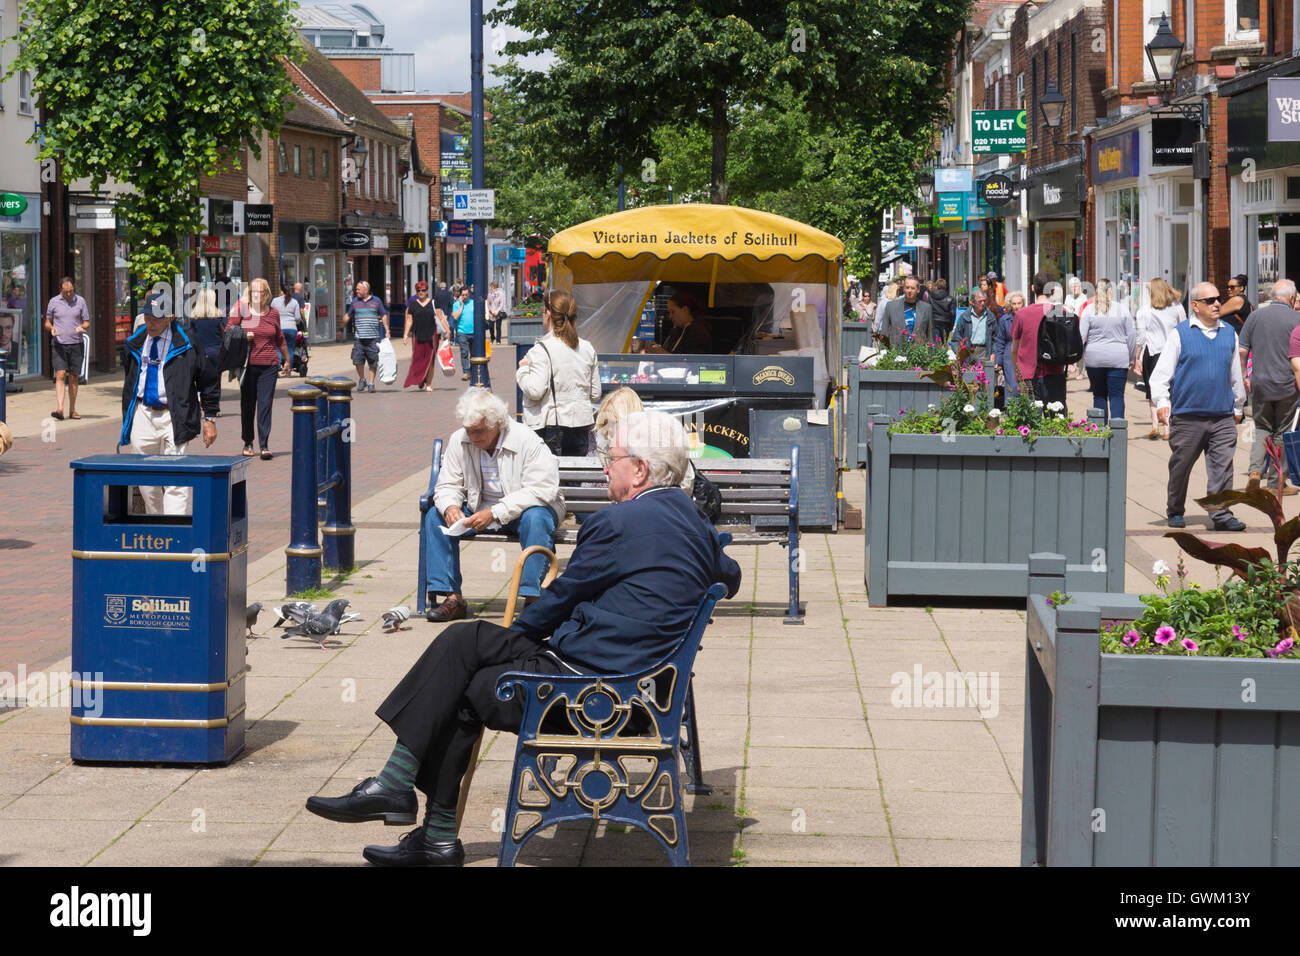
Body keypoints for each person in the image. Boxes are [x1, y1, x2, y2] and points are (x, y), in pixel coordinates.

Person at [305, 411, 742, 866]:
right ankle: (408, 807)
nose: (604, 467)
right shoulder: (694, 522)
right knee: (465, 654)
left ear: (640, 470)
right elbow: (728, 577)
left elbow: (559, 601)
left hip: (592, 695)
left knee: (463, 670)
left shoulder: (618, 524)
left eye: (611, 459)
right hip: (642, 690)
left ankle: (414, 809)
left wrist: (512, 639)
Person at [424, 389, 565, 623]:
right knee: (434, 517)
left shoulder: (525, 438)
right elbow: (447, 483)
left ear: (496, 424)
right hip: (480, 508)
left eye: (478, 431)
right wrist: (449, 506)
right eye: (469, 430)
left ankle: (533, 598)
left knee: (536, 519)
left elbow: (542, 489)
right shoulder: (461, 439)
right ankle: (452, 597)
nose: (472, 436)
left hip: (523, 509)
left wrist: (496, 513)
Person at [1149, 281, 1247, 531]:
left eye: (1218, 299)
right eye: (1210, 300)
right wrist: (1162, 403)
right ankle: (1175, 509)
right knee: (1180, 466)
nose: (1217, 304)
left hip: (1222, 416)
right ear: (1195, 306)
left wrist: (1238, 407)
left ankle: (1221, 514)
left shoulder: (1229, 333)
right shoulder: (1180, 334)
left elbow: (1235, 374)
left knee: (1223, 468)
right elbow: (1160, 376)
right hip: (1187, 416)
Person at [119, 302, 219, 515]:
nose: (150, 323)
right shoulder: (136, 341)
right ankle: (157, 527)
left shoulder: (187, 343)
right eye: (147, 318)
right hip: (143, 413)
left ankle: (175, 531)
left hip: (175, 414)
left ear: (170, 317)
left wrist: (209, 418)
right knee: (145, 477)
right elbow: (130, 375)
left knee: (176, 479)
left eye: (155, 318)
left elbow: (208, 380)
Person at [517, 289, 601, 455]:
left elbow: (535, 391)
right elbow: (596, 393)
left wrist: (523, 370)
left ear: (548, 313)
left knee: (548, 478)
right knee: (576, 476)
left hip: (551, 427)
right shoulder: (587, 348)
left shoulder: (541, 349)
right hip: (581, 426)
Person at [1240, 279, 1300, 494]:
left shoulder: (1255, 316)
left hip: (1260, 383)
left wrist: (1243, 377)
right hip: (1287, 385)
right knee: (1282, 432)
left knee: (1262, 428)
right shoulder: (1296, 319)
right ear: (1292, 298)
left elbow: (1242, 350)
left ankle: (1255, 471)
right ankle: (1276, 484)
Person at [226, 277, 287, 459]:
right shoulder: (242, 310)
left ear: (266, 293)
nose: (257, 295)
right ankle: (248, 441)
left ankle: (264, 444)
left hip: (269, 364)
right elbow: (228, 330)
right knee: (248, 404)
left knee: (265, 404)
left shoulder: (273, 313)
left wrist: (287, 359)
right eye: (254, 291)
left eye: (260, 291)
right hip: (248, 365)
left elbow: (280, 338)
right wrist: (244, 335)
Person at [1078, 279, 1136, 422]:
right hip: (1118, 358)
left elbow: (1081, 336)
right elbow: (1132, 336)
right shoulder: (1122, 309)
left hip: (1094, 359)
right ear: (1110, 291)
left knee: (1099, 395)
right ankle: (1117, 433)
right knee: (1117, 396)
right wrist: (1132, 358)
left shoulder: (1089, 310)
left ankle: (1100, 433)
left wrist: (1078, 359)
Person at [1134, 278, 1185, 441]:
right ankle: (1168, 428)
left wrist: (1136, 357)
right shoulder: (1177, 307)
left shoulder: (1145, 310)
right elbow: (1183, 327)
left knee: (1153, 390)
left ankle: (1155, 425)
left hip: (1153, 352)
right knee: (1169, 391)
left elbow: (1141, 337)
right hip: (1173, 352)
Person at [1010, 272, 1068, 412]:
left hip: (1028, 375)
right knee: (1056, 422)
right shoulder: (1062, 312)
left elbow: (1014, 349)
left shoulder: (1021, 314)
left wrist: (1017, 372)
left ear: (1032, 289)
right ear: (1053, 291)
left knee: (1030, 422)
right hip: (1055, 373)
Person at [44, 277, 90, 420]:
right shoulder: (53, 302)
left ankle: (72, 410)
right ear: (61, 290)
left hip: (76, 343)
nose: (69, 294)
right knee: (61, 374)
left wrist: (82, 327)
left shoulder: (81, 301)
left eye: (71, 291)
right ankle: (60, 409)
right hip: (59, 344)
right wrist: (51, 328)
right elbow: (47, 322)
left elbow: (87, 322)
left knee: (74, 377)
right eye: (66, 292)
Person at [403, 281, 446, 392]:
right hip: (417, 335)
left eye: (423, 290)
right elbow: (409, 320)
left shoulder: (434, 303)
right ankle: (421, 378)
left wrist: (448, 330)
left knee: (430, 360)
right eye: (418, 290)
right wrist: (405, 334)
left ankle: (429, 383)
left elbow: (441, 318)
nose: (421, 292)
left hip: (432, 335)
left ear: (427, 291)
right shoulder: (413, 305)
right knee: (418, 359)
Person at [348, 280, 390, 392]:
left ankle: (371, 383)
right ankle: (362, 379)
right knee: (357, 360)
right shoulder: (354, 302)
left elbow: (383, 315)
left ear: (366, 290)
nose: (356, 291)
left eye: (358, 289)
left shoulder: (377, 301)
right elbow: (348, 314)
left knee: (373, 361)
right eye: (356, 289)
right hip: (359, 337)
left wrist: (387, 330)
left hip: (373, 337)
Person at [641, 291, 712, 354]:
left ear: (685, 310)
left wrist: (658, 351)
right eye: (669, 312)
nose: (670, 316)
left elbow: (687, 363)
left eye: (673, 312)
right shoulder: (677, 330)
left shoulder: (698, 332)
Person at [878, 276, 933, 344]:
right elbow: (884, 332)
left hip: (918, 351)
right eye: (907, 287)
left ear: (918, 290)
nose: (909, 291)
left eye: (912, 288)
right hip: (896, 351)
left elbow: (930, 335)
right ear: (904, 289)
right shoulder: (891, 306)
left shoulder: (926, 308)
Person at [949, 289, 994, 361]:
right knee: (968, 371)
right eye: (980, 301)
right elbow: (955, 339)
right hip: (969, 351)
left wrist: (993, 353)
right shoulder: (964, 317)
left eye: (984, 301)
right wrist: (960, 353)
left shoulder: (991, 317)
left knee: (984, 372)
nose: (983, 303)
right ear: (972, 302)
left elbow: (995, 338)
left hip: (984, 352)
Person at [993, 290, 1024, 398]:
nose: (1016, 306)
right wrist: (998, 360)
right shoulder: (1004, 320)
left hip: (1024, 352)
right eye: (1014, 303)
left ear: (1023, 303)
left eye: (1019, 303)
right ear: (1010, 304)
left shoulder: (1027, 318)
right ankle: (1011, 409)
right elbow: (1000, 341)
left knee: (1025, 384)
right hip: (1009, 353)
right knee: (1012, 384)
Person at [273, 282, 303, 375]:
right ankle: (288, 369)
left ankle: (276, 368)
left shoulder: (275, 301)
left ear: (281, 291)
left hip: (279, 328)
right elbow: (298, 318)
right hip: (291, 329)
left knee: (278, 348)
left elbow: (270, 314)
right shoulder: (294, 302)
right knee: (290, 349)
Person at [451, 285, 475, 381]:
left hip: (473, 331)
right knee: (464, 352)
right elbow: (455, 317)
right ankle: (466, 372)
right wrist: (461, 305)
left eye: (466, 294)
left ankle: (471, 371)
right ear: (460, 295)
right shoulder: (456, 304)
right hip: (462, 332)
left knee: (473, 354)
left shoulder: (473, 303)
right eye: (463, 295)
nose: (465, 296)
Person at [928, 278, 956, 344]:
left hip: (934, 322)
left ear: (936, 286)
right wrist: (951, 326)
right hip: (946, 322)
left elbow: (927, 311)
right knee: (944, 344)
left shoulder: (930, 297)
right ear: (945, 287)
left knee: (935, 345)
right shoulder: (950, 298)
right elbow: (953, 314)